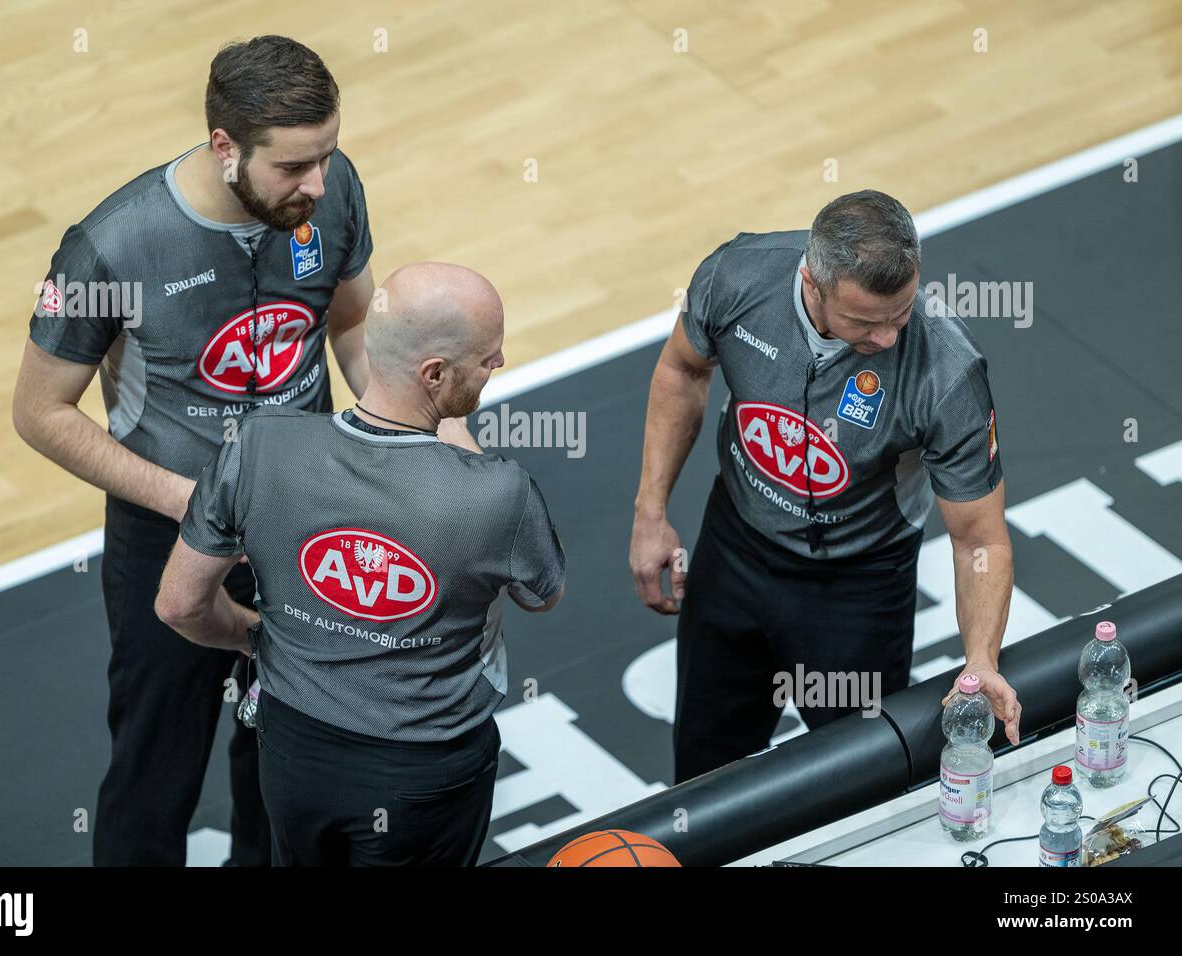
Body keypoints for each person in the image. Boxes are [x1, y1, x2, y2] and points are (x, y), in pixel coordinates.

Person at [12, 35, 456, 865]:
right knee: (156, 765)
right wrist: (194, 504)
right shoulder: (110, 248)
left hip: (305, 511)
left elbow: (353, 324)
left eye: (326, 157)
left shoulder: (332, 189)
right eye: (293, 167)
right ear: (225, 148)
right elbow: (41, 413)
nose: (317, 185)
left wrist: (416, 438)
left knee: (289, 754)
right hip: (168, 526)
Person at [154, 262, 566, 866]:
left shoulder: (257, 444)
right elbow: (542, 593)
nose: (498, 365)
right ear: (435, 374)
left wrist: (256, 635)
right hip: (424, 771)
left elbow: (179, 604)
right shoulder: (498, 494)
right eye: (488, 357)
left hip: (293, 753)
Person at [629, 189, 1022, 783]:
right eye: (866, 321)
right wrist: (650, 512)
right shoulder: (737, 277)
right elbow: (683, 370)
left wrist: (982, 660)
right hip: (735, 550)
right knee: (706, 771)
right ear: (812, 283)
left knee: (860, 780)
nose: (889, 338)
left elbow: (979, 541)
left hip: (858, 588)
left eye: (901, 313)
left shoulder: (945, 370)